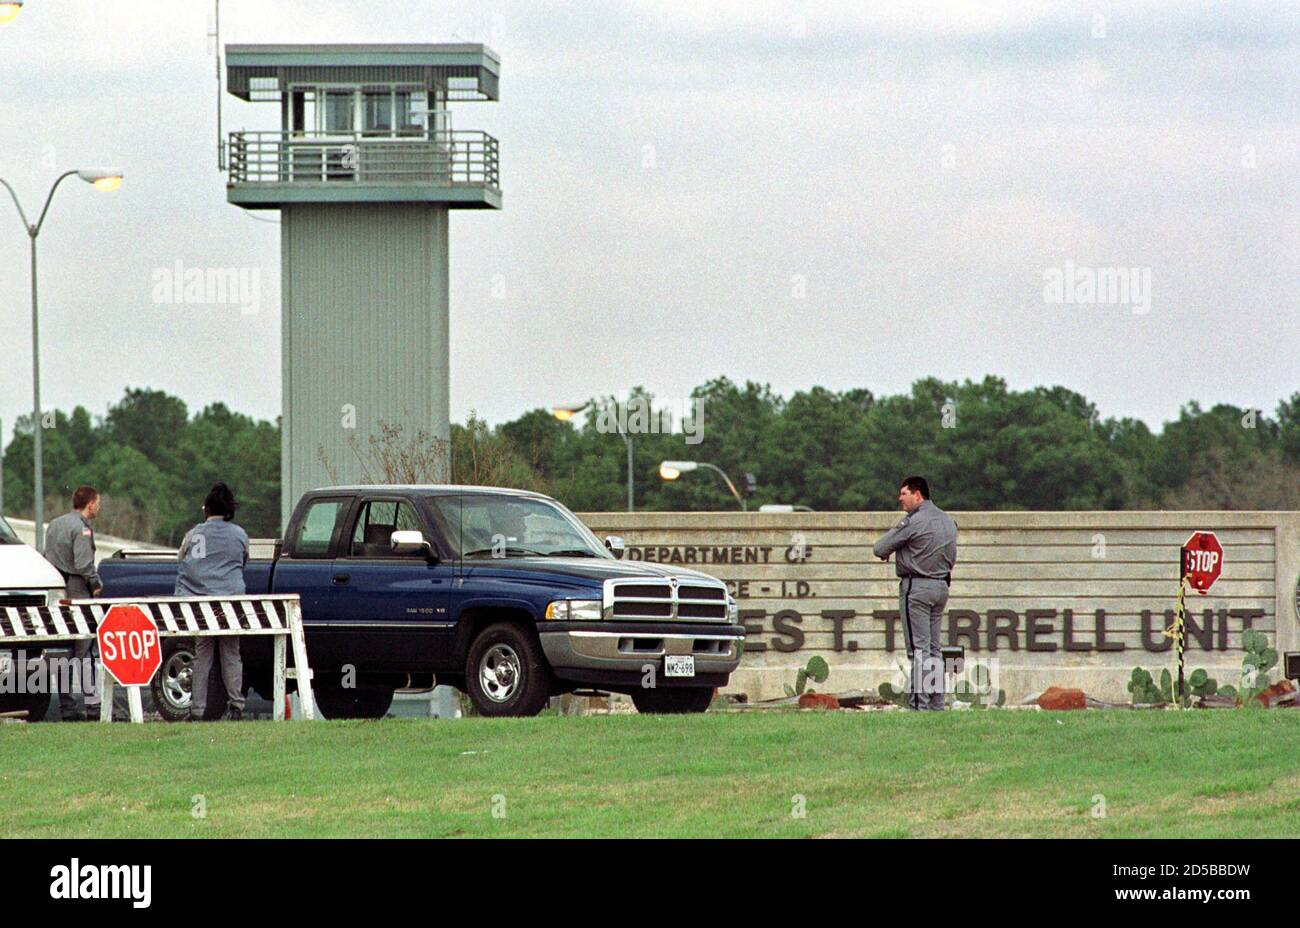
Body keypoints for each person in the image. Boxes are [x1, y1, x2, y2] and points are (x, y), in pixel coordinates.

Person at [872, 476, 957, 711]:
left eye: (904, 493)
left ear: (917, 494)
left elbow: (879, 548)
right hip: (941, 587)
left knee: (918, 650)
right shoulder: (948, 520)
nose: (900, 498)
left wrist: (897, 548)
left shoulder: (914, 521)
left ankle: (919, 706)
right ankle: (937, 704)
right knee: (934, 649)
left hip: (916, 588)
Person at [176, 482, 249, 721]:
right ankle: (237, 705)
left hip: (201, 603)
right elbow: (243, 560)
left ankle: (197, 709)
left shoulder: (194, 534)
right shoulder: (239, 534)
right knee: (231, 653)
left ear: (206, 509)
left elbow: (181, 558)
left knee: (202, 653)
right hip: (230, 603)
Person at [43, 486, 103, 721]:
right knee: (85, 650)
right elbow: (83, 563)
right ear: (90, 504)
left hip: (58, 590)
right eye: (97, 503)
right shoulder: (82, 528)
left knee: (63, 652)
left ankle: (67, 707)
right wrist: (96, 584)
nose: (99, 507)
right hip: (78, 589)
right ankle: (93, 706)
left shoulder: (56, 524)